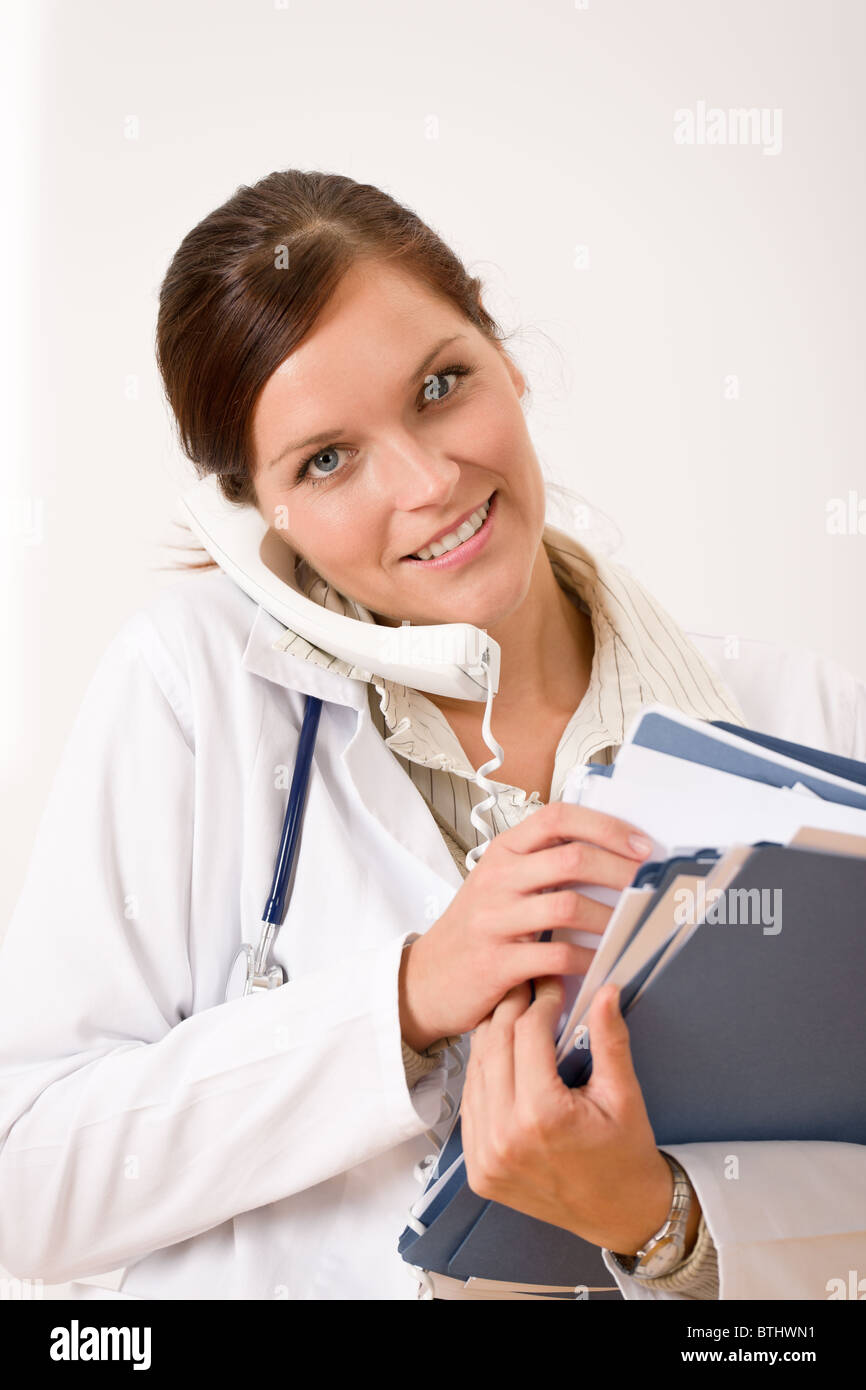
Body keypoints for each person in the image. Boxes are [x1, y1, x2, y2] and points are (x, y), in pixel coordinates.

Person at [0, 170, 863, 1302]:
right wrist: (399, 1000)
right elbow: (28, 1182)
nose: (426, 482)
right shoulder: (196, 686)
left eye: (440, 386)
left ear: (504, 355)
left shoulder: (795, 714)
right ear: (256, 511)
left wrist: (662, 1226)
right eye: (324, 459)